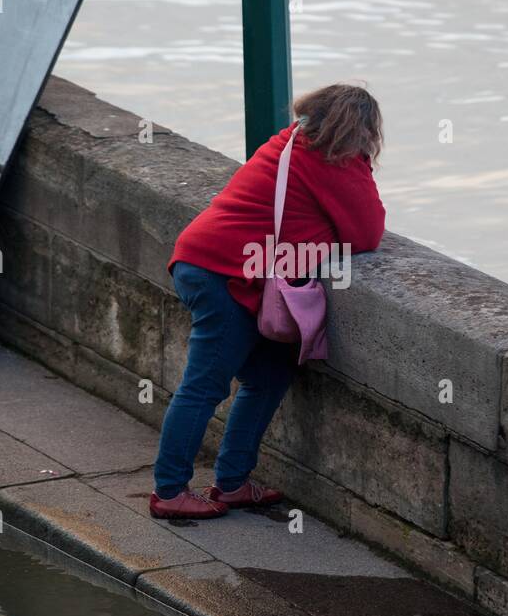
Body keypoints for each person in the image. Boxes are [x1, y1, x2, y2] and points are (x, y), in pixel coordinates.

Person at [150, 83, 387, 519]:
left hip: (209, 263)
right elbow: (369, 232)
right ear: (360, 130)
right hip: (223, 273)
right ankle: (169, 493)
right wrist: (361, 165)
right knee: (204, 386)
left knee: (271, 372)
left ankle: (232, 482)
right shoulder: (330, 161)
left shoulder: (290, 141)